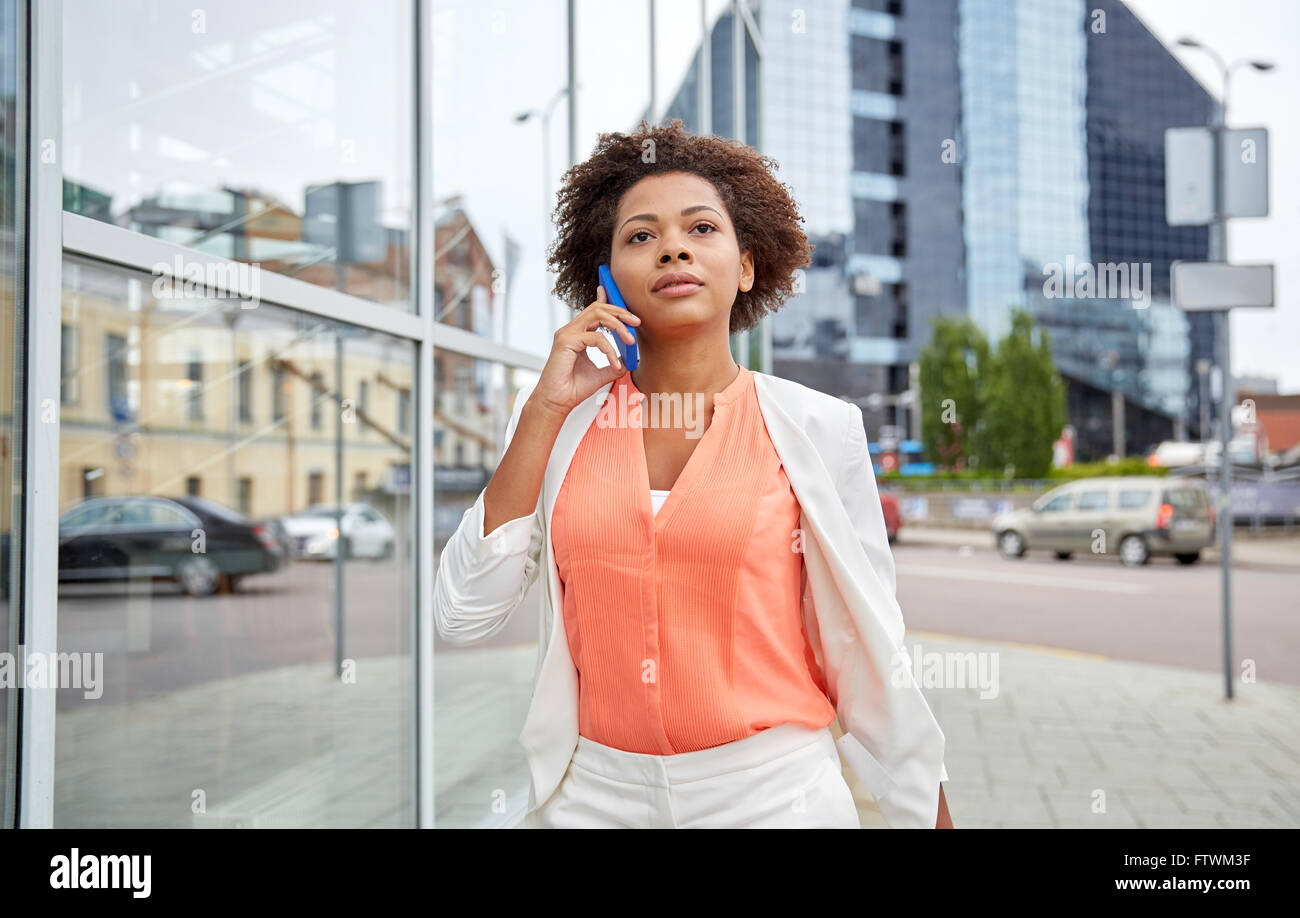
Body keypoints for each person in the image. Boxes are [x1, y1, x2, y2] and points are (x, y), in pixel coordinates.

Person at [436, 119, 952, 829]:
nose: (673, 247)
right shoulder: (558, 428)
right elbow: (462, 615)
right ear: (606, 280)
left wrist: (926, 810)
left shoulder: (819, 428)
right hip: (591, 801)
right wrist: (543, 410)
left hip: (775, 798)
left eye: (701, 228)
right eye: (641, 236)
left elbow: (870, 650)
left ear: (746, 266)